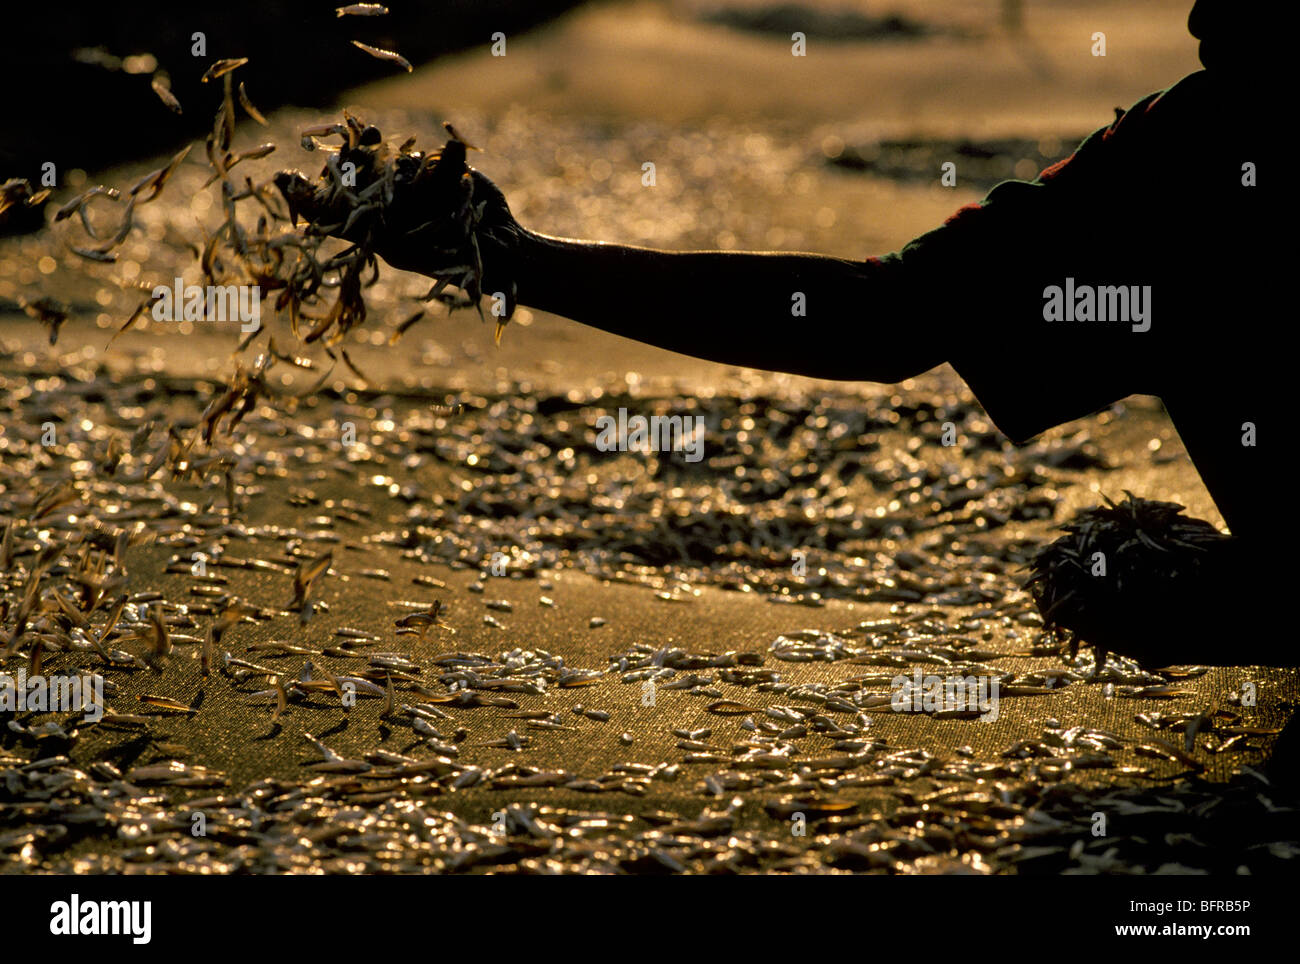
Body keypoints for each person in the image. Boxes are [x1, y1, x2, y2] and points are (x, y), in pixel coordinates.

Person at [281, 0, 1282, 666]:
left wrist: (509, 258)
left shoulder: (1186, 155)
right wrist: (508, 256)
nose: (1199, 13)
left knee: (1104, 572)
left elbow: (881, 322)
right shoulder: (1182, 149)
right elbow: (883, 318)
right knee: (1116, 569)